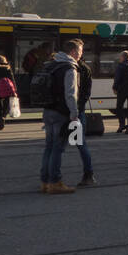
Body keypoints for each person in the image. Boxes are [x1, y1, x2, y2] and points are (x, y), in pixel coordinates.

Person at [39, 39, 82, 195]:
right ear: (73, 52)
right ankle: (55, 182)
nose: (80, 55)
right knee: (58, 148)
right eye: (80, 52)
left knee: (49, 147)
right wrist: (74, 114)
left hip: (48, 110)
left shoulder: (50, 64)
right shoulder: (69, 68)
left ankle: (44, 181)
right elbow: (70, 94)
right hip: (60, 113)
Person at [73, 55, 97, 186]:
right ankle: (89, 174)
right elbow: (87, 92)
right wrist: (80, 106)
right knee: (80, 143)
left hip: (64, 112)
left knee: (56, 146)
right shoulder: (85, 69)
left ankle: (51, 178)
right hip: (77, 111)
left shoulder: (66, 67)